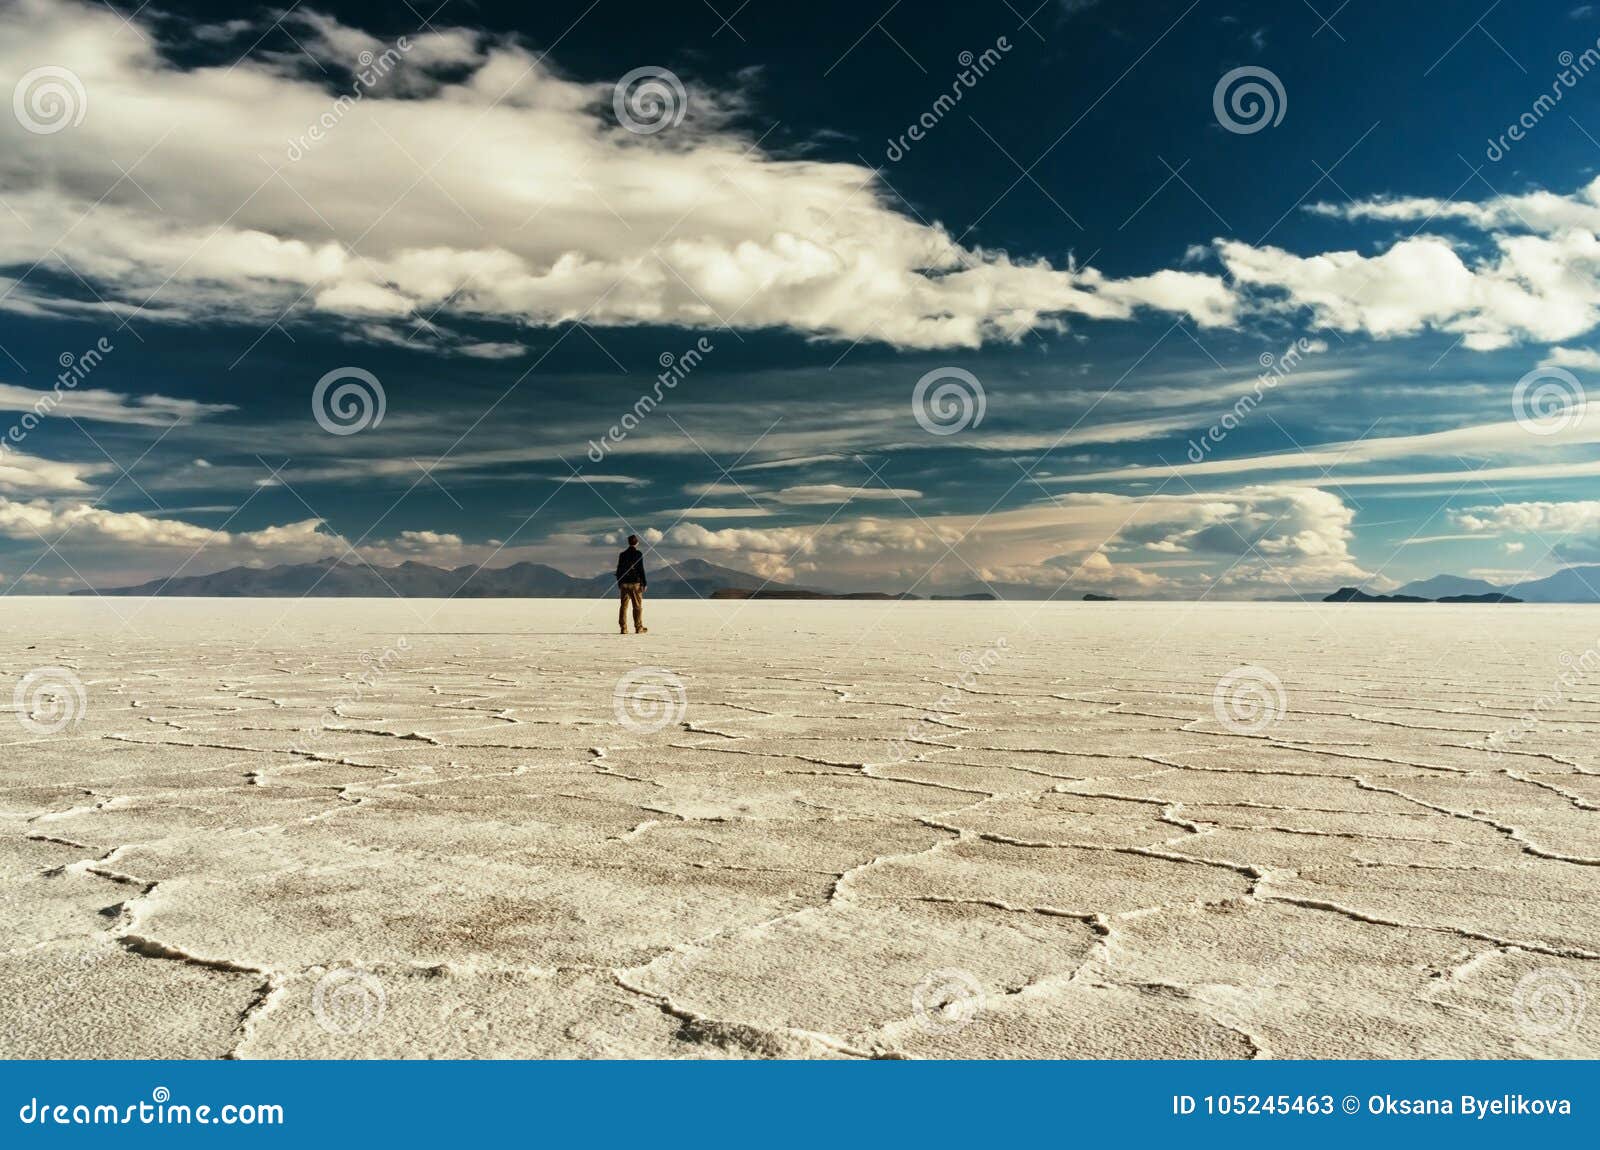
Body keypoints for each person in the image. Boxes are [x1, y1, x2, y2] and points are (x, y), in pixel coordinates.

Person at [616, 534, 648, 635]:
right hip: (635, 584)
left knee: (623, 607)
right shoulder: (638, 554)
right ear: (636, 543)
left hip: (624, 584)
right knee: (637, 606)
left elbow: (619, 570)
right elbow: (641, 569)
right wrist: (644, 583)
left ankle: (623, 628)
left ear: (629, 542)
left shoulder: (622, 554)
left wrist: (619, 582)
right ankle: (639, 628)